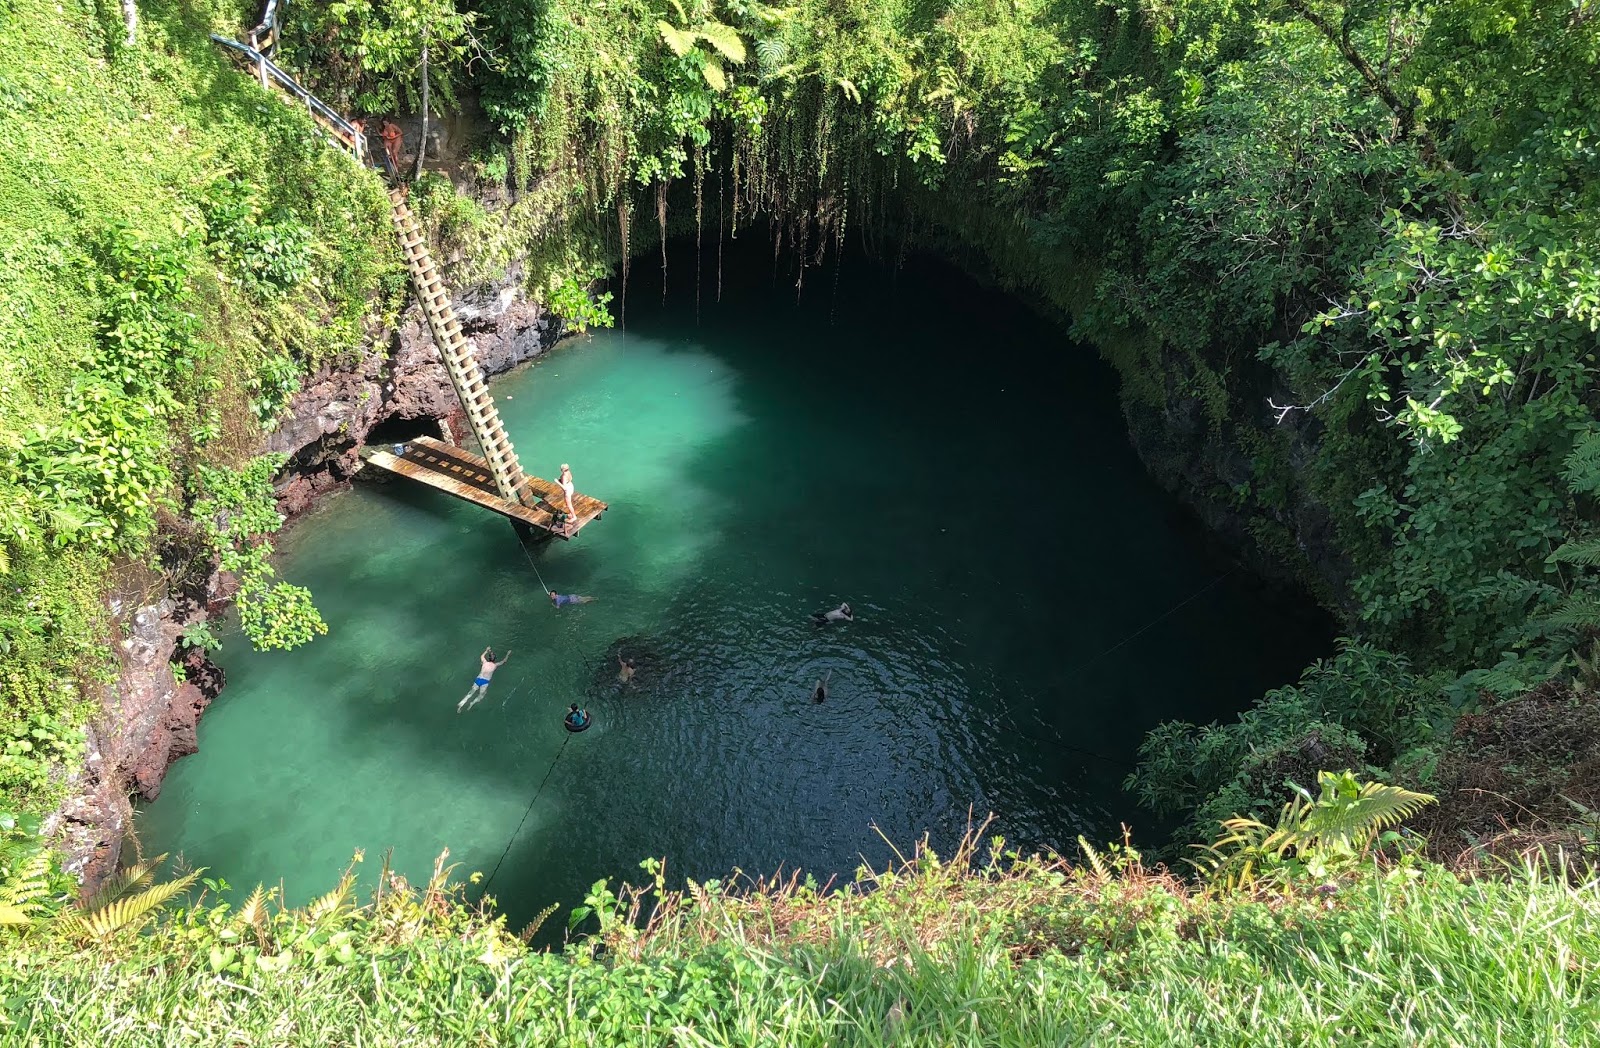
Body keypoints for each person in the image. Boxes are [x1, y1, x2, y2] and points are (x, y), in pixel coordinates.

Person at [458, 647, 510, 712]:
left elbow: (482, 656)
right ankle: (472, 703)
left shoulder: (485, 662)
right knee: (481, 695)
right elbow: (504, 661)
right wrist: (508, 654)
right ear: (495, 659)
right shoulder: (495, 665)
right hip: (485, 682)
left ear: (489, 658)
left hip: (478, 679)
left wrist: (486, 650)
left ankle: (461, 704)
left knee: (470, 693)